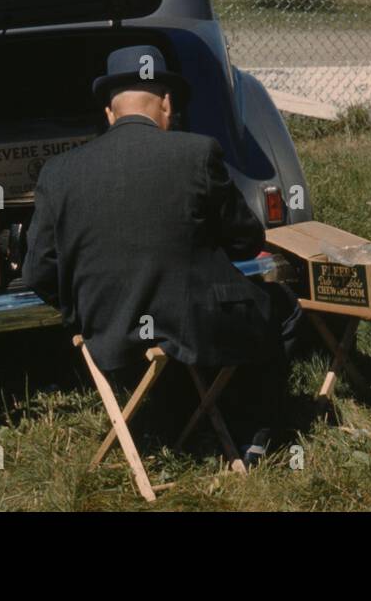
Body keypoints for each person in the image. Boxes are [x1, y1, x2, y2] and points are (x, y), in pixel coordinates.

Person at [24, 45, 300, 462]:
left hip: (109, 336)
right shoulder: (196, 153)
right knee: (286, 307)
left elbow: (38, 273)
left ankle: (175, 411)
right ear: (167, 103)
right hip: (198, 329)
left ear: (109, 113)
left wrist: (87, 310)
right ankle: (251, 429)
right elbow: (245, 240)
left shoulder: (58, 172)